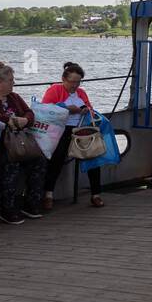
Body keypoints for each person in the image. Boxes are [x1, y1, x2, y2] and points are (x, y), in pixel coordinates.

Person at [0, 60, 46, 225]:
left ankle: (31, 203)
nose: (14, 83)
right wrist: (8, 120)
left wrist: (25, 120)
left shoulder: (14, 97)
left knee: (39, 160)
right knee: (11, 163)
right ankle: (8, 209)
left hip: (18, 142)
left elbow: (28, 112)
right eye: (11, 80)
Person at [40, 61, 103, 210]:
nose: (74, 85)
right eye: (72, 82)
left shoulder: (81, 93)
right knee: (57, 157)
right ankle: (48, 194)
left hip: (80, 129)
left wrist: (86, 110)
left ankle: (96, 194)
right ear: (64, 79)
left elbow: (90, 108)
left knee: (92, 156)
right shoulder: (55, 90)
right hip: (61, 129)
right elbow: (45, 110)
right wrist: (67, 109)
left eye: (78, 82)